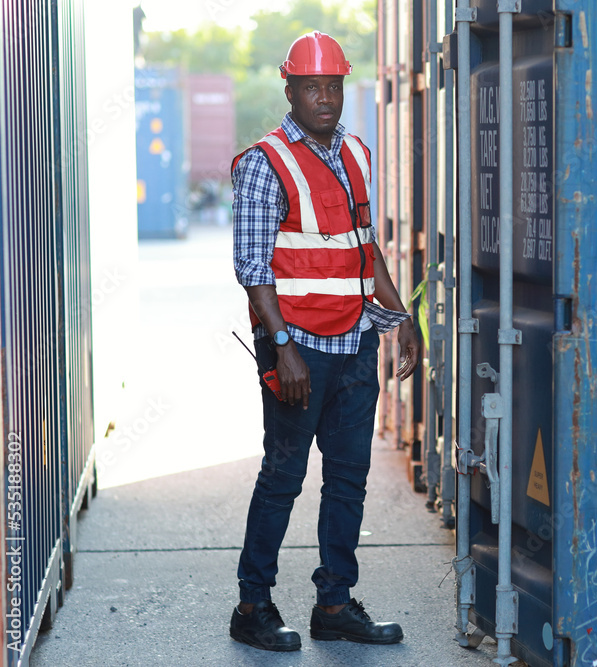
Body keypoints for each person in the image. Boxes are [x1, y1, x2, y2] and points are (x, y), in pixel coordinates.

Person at [229, 31, 419, 652]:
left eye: (334, 85)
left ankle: (334, 602)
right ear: (290, 90)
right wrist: (282, 348)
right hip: (298, 349)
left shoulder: (357, 154)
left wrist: (402, 315)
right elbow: (253, 269)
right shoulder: (266, 162)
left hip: (355, 344)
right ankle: (253, 605)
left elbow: (368, 249)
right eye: (312, 86)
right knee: (283, 475)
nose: (326, 97)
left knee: (348, 479)